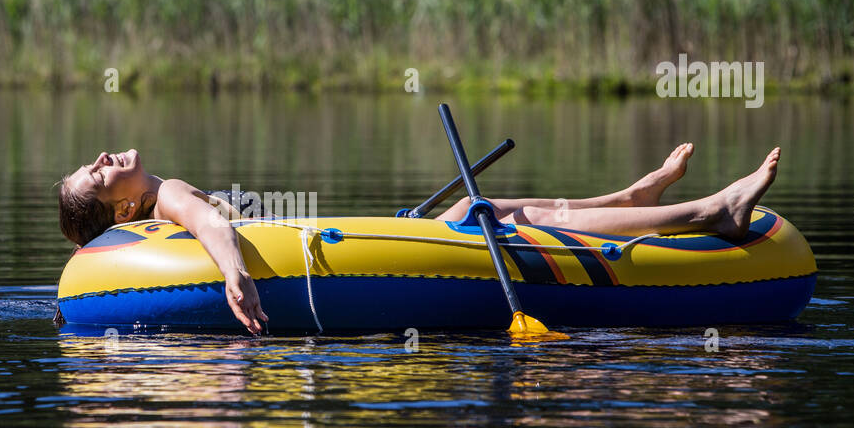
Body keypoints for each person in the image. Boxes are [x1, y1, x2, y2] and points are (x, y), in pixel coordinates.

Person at [57, 143, 780, 335]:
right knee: (484, 214)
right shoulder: (167, 197)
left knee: (477, 209)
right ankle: (702, 213)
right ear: (116, 212)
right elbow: (213, 223)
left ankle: (633, 201)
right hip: (315, 268)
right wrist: (235, 277)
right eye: (93, 178)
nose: (100, 161)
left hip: (361, 255)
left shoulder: (147, 222)